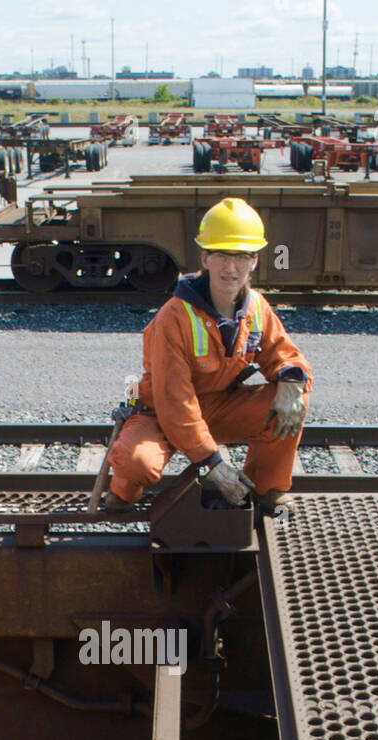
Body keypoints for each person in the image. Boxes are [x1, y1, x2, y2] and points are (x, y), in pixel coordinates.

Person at [105, 197, 312, 514]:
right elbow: (175, 399)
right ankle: (122, 492)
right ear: (205, 258)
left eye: (241, 257)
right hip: (161, 412)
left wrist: (291, 381)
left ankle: (265, 489)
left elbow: (284, 354)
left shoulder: (255, 307)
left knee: (290, 401)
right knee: (137, 463)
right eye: (222, 256)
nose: (232, 268)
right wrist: (212, 463)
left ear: (254, 261)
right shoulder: (174, 316)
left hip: (216, 408)